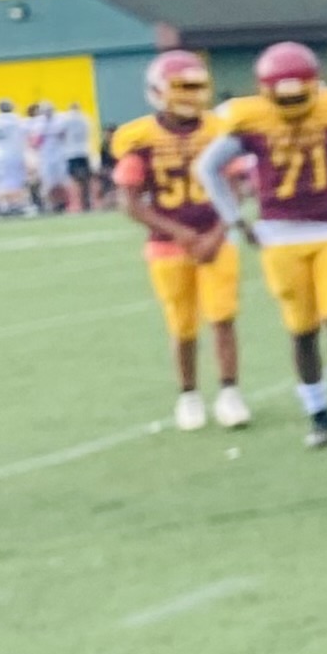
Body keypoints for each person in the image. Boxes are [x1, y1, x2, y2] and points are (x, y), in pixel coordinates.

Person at [203, 41, 327, 448]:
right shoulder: (251, 120)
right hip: (280, 233)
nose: (293, 103)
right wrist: (234, 220)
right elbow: (209, 167)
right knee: (301, 330)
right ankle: (317, 410)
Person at [108, 50, 248, 432]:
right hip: (168, 245)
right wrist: (182, 234)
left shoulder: (218, 130)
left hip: (217, 239)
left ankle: (230, 392)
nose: (189, 95)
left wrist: (218, 233)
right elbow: (128, 201)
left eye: (195, 87)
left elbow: (237, 188)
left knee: (222, 318)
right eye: (181, 87)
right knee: (182, 326)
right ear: (158, 91)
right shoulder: (141, 138)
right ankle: (188, 395)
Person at [0, 99, 34, 214]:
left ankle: (5, 205)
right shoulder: (16, 120)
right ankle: (17, 204)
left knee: (2, 181)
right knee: (17, 181)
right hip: (14, 153)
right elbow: (27, 132)